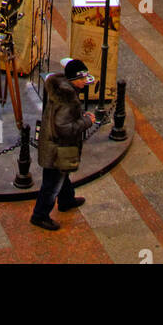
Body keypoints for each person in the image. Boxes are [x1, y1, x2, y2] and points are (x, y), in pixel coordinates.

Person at [30, 57, 96, 231]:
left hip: (53, 144)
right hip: (58, 149)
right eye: (82, 78)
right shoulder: (68, 101)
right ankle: (40, 215)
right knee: (52, 184)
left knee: (62, 175)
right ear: (74, 80)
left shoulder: (60, 90)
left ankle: (67, 200)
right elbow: (64, 128)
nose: (85, 82)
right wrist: (87, 121)